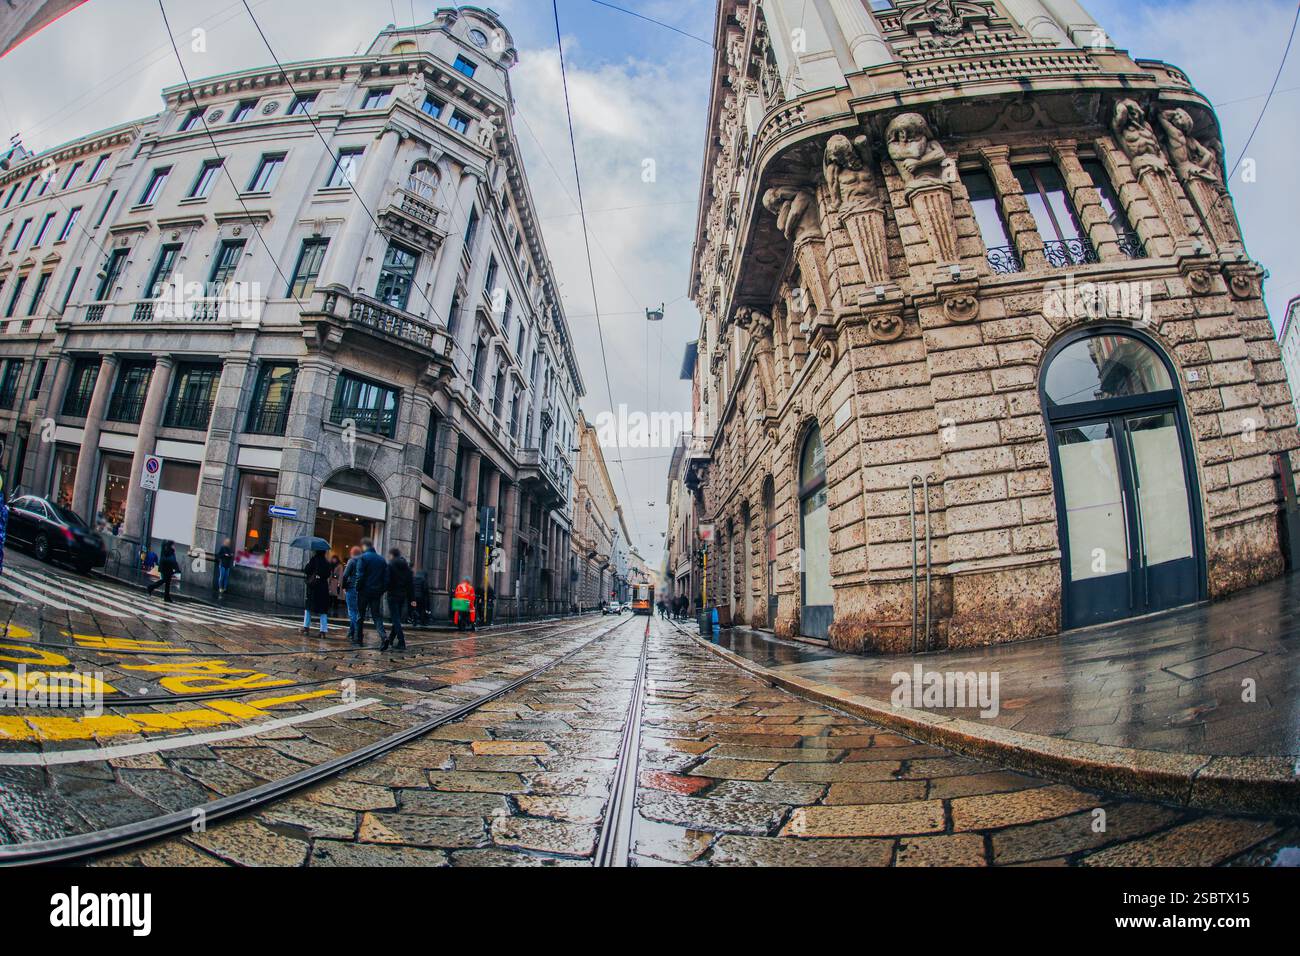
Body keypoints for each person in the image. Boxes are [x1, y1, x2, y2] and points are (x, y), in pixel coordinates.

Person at [353, 538, 389, 647]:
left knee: (360, 615)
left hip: (364, 591)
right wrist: (381, 590)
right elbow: (386, 580)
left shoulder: (363, 558)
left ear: (364, 546)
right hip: (376, 592)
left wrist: (357, 588)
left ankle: (359, 639)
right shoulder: (381, 560)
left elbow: (360, 576)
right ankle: (384, 636)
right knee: (376, 616)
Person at [384, 548, 413, 651]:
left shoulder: (391, 565)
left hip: (392, 595)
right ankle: (391, 639)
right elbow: (410, 584)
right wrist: (411, 598)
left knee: (395, 619)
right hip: (402, 596)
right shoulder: (407, 568)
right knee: (396, 618)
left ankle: (401, 641)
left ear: (392, 555)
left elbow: (387, 580)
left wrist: (384, 590)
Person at [302, 548, 331, 635]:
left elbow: (307, 570)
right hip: (323, 588)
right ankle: (323, 631)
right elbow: (328, 574)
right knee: (323, 610)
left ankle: (306, 628)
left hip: (314, 587)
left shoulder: (314, 560)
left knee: (308, 607)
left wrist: (309, 563)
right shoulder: (326, 562)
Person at [341, 546, 363, 642]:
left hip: (352, 588)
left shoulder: (352, 561)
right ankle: (351, 632)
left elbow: (345, 575)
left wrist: (344, 587)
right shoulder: (363, 562)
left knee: (352, 611)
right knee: (357, 611)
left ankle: (357, 632)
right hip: (361, 589)